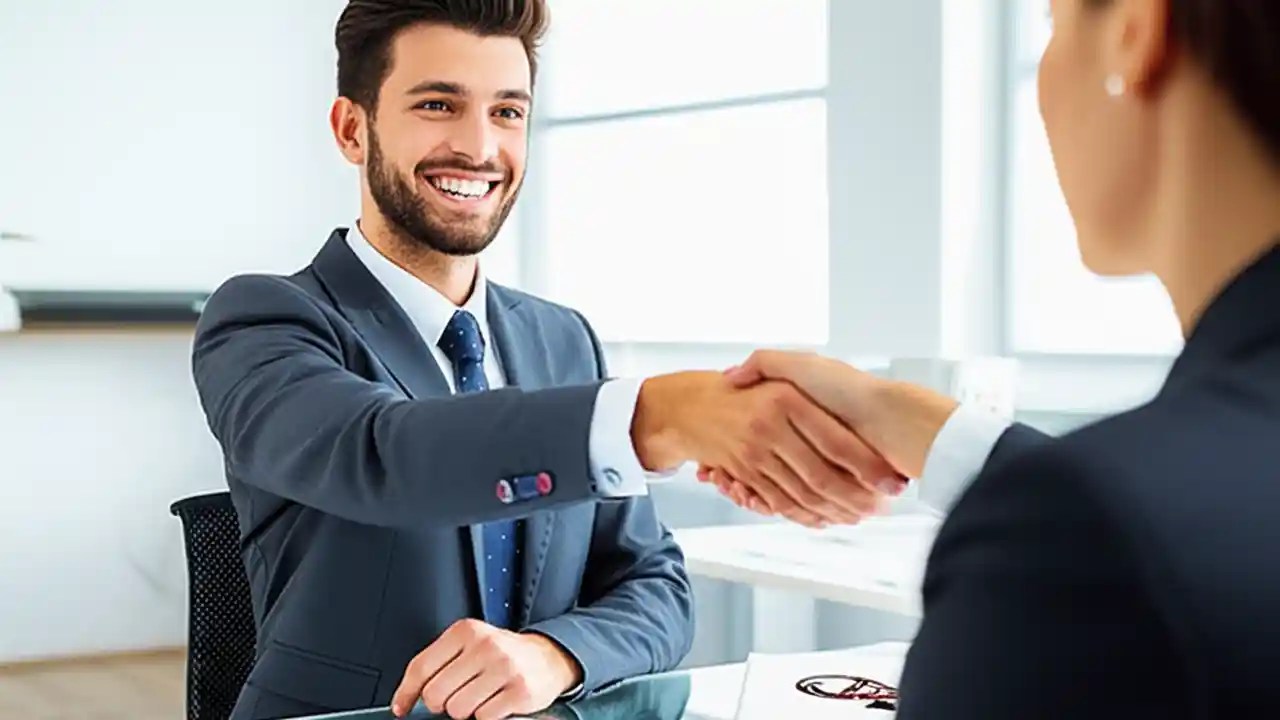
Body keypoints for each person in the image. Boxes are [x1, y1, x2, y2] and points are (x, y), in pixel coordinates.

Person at [191, 2, 902, 719]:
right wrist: (659, 416)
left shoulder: (564, 340)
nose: (478, 147)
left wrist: (554, 654)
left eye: (507, 112)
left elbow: (656, 588)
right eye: (439, 104)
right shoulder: (265, 320)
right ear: (353, 129)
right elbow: (384, 456)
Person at [704, 0, 1280, 716]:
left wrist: (1041, 509)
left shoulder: (1073, 548)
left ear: (1137, 32)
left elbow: (1123, 537)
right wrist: (918, 422)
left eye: (1053, 23)